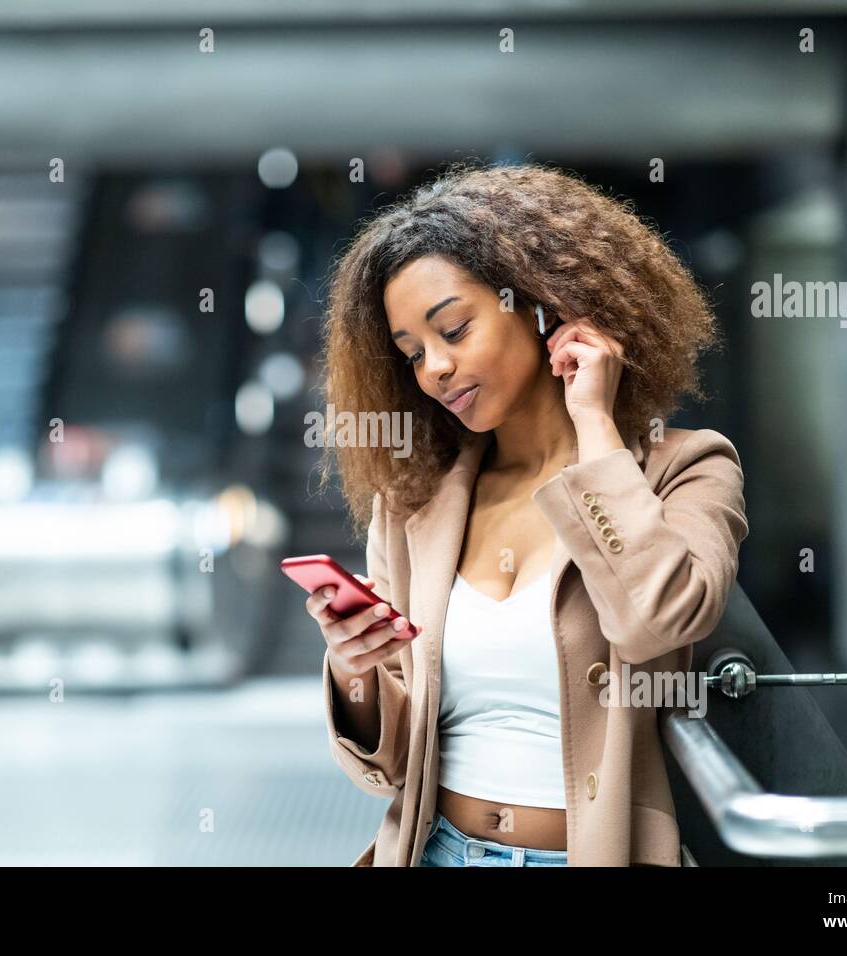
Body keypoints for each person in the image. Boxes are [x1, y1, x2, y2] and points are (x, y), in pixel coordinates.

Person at [308, 162, 748, 866]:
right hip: (437, 850)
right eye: (413, 352)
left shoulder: (684, 469)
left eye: (454, 329)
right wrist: (353, 668)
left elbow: (657, 621)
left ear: (544, 304)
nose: (434, 370)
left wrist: (597, 432)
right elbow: (388, 768)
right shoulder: (414, 507)